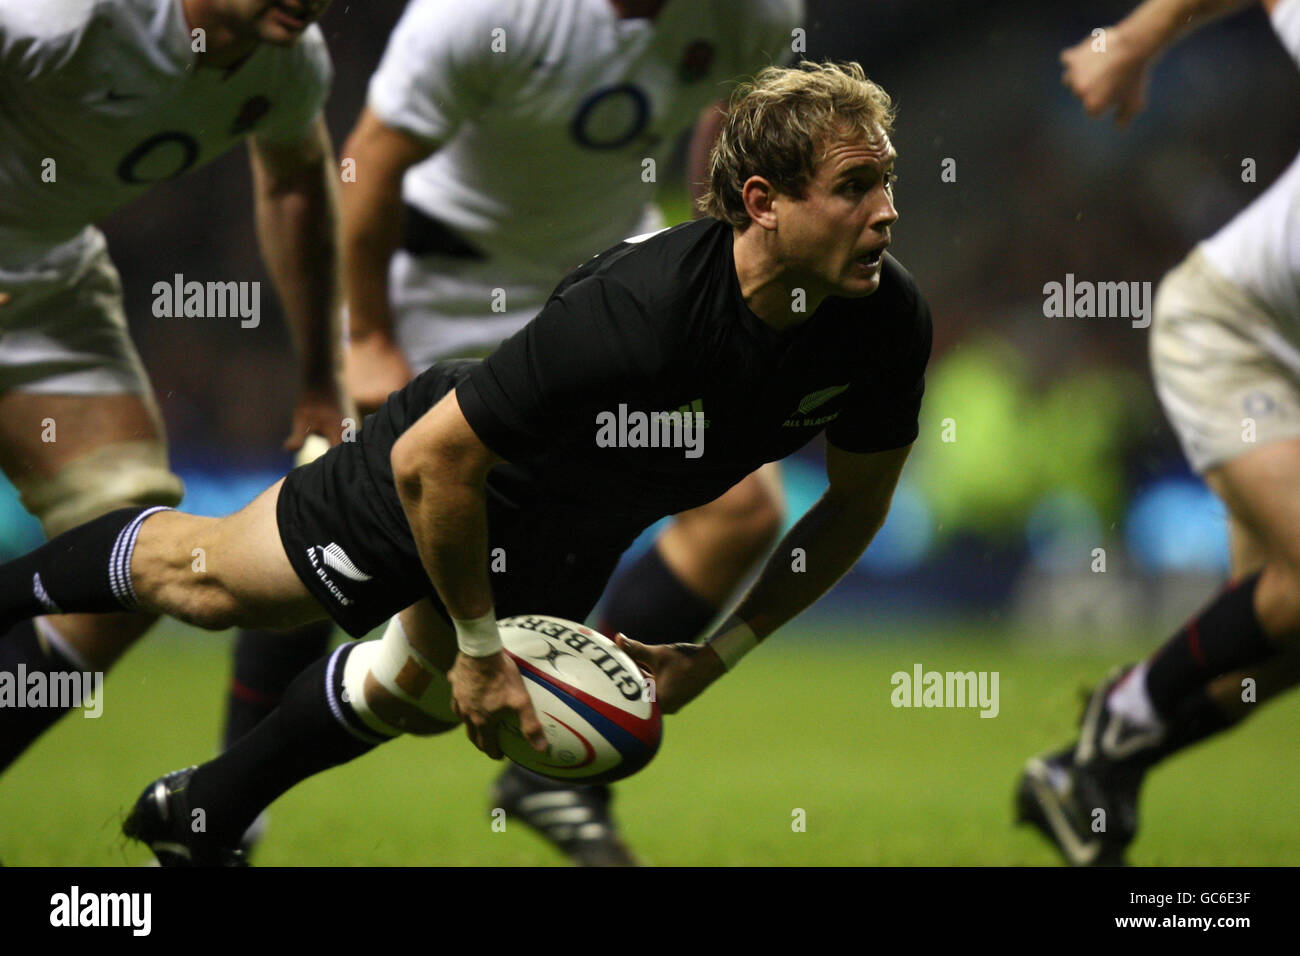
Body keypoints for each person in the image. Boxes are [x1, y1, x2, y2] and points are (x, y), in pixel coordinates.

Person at [0, 60, 926, 866]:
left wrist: (716, 657)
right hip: (453, 470)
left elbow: (851, 506)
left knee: (421, 691)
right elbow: (436, 460)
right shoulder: (643, 315)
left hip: (579, 527)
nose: (886, 212)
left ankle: (202, 813)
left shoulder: (885, 325)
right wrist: (479, 646)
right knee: (212, 586)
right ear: (763, 202)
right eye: (854, 187)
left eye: (887, 182)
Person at [224, 0, 802, 865]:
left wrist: (708, 257)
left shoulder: (754, 11)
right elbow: (369, 162)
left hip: (609, 282)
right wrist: (368, 338)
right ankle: (225, 806)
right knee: (311, 541)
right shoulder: (482, 13)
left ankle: (552, 775)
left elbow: (741, 120)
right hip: (440, 283)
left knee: (743, 511)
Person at [0, 0, 346, 780]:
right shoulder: (62, 16)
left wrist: (323, 373)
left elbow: (296, 180)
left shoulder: (289, 64)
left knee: (119, 566)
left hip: (48, 290)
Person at [1017, 0, 1300, 866]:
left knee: (1278, 637)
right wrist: (1135, 42)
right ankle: (1125, 715)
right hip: (1233, 329)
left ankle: (1085, 773)